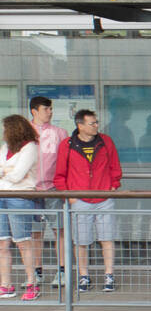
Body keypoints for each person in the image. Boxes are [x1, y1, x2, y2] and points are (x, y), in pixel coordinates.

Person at [53, 109, 122, 294]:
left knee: (107, 238)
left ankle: (109, 275)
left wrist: (113, 186)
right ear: (80, 125)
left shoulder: (106, 141)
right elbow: (60, 175)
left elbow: (115, 166)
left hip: (104, 198)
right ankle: (84, 275)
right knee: (81, 241)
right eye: (92, 123)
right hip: (80, 199)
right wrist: (70, 196)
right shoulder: (67, 145)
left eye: (96, 122)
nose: (96, 125)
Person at [28, 95, 69, 288]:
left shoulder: (60, 133)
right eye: (46, 109)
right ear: (34, 111)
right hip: (30, 191)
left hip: (53, 189)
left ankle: (62, 271)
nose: (50, 112)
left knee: (59, 230)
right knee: (35, 233)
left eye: (51, 108)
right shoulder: (24, 132)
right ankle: (37, 271)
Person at [0, 115, 42, 301]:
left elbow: (18, 176)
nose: (3, 133)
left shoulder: (30, 147)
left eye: (5, 129)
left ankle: (32, 283)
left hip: (20, 197)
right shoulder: (5, 148)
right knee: (2, 244)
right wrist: (7, 171)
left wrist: (5, 172)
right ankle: (6, 285)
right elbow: (11, 172)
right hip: (2, 196)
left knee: (23, 242)